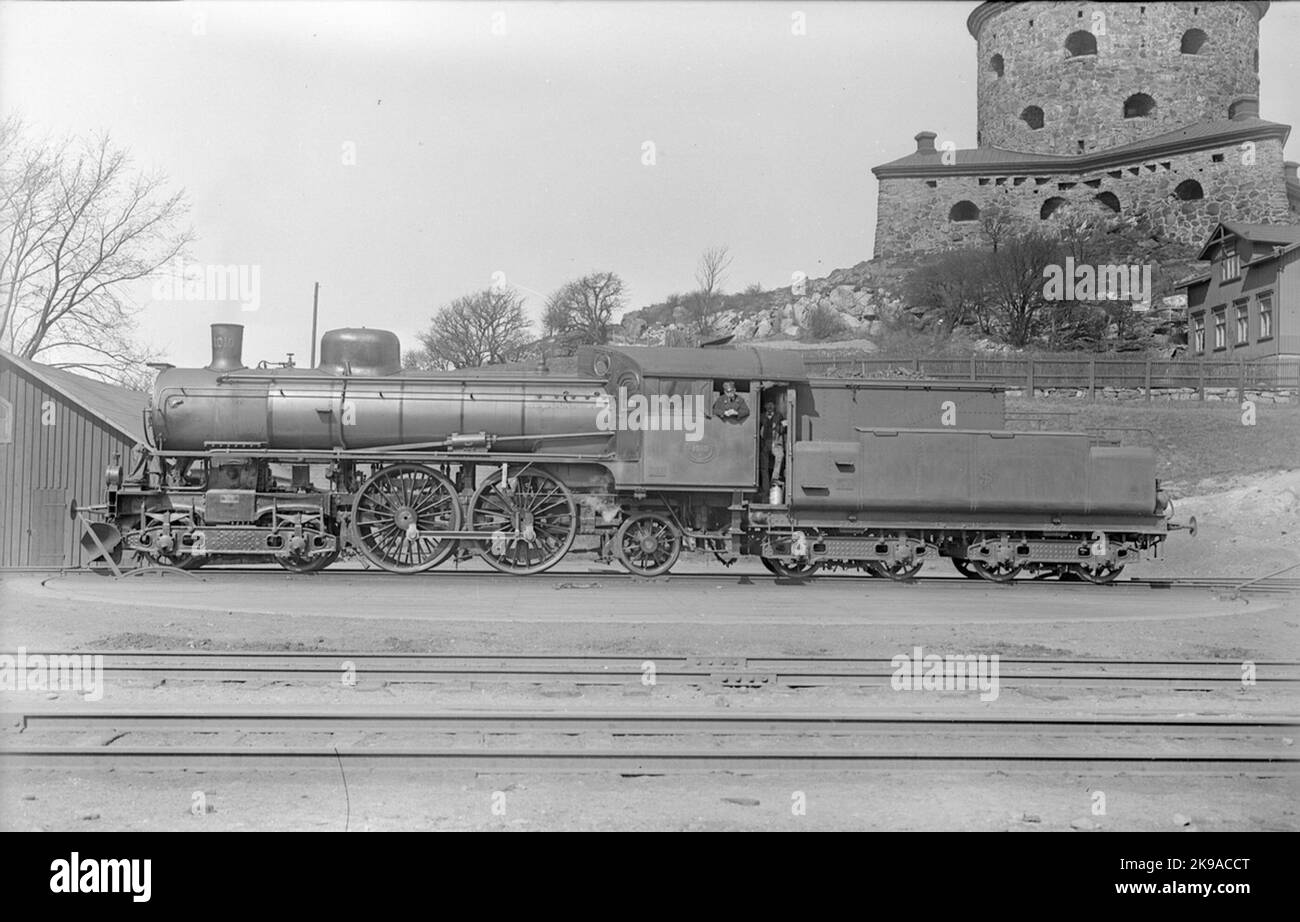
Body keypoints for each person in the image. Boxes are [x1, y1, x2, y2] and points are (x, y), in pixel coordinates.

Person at [759, 400, 787, 495]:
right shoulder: (762, 416)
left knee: (780, 455)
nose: (770, 406)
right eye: (768, 405)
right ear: (765, 406)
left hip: (776, 442)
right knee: (764, 466)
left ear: (774, 406)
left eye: (772, 404)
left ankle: (775, 478)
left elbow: (783, 429)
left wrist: (780, 427)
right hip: (765, 442)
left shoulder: (779, 416)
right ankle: (765, 488)